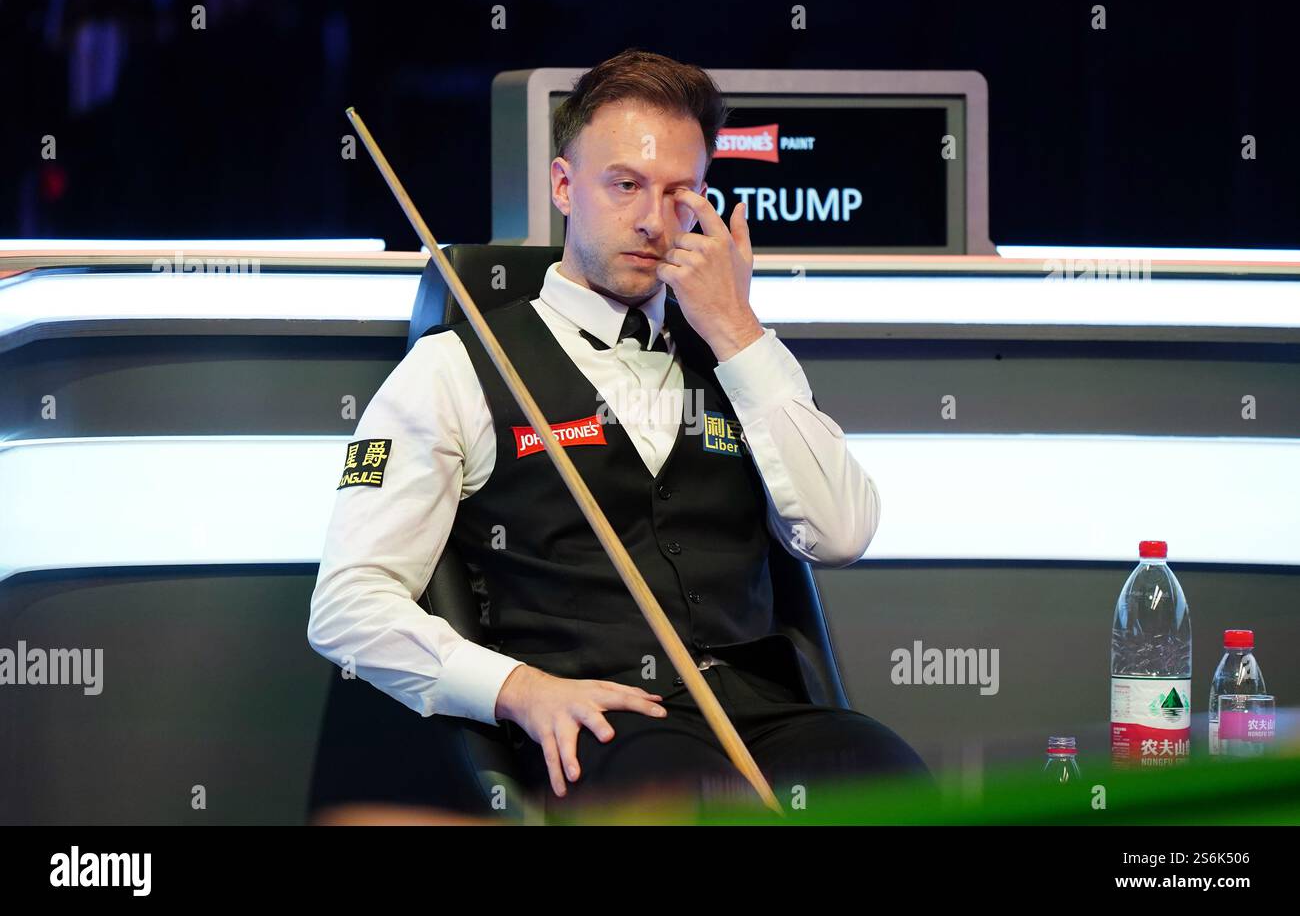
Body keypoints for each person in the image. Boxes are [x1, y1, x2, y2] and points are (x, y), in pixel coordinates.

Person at [307, 47, 930, 819]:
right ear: (565, 186)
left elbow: (840, 534)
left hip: (764, 713)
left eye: (680, 193)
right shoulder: (456, 367)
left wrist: (739, 331)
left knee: (892, 781)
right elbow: (347, 604)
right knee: (677, 797)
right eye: (625, 184)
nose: (650, 219)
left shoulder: (739, 357)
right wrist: (519, 690)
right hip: (600, 721)